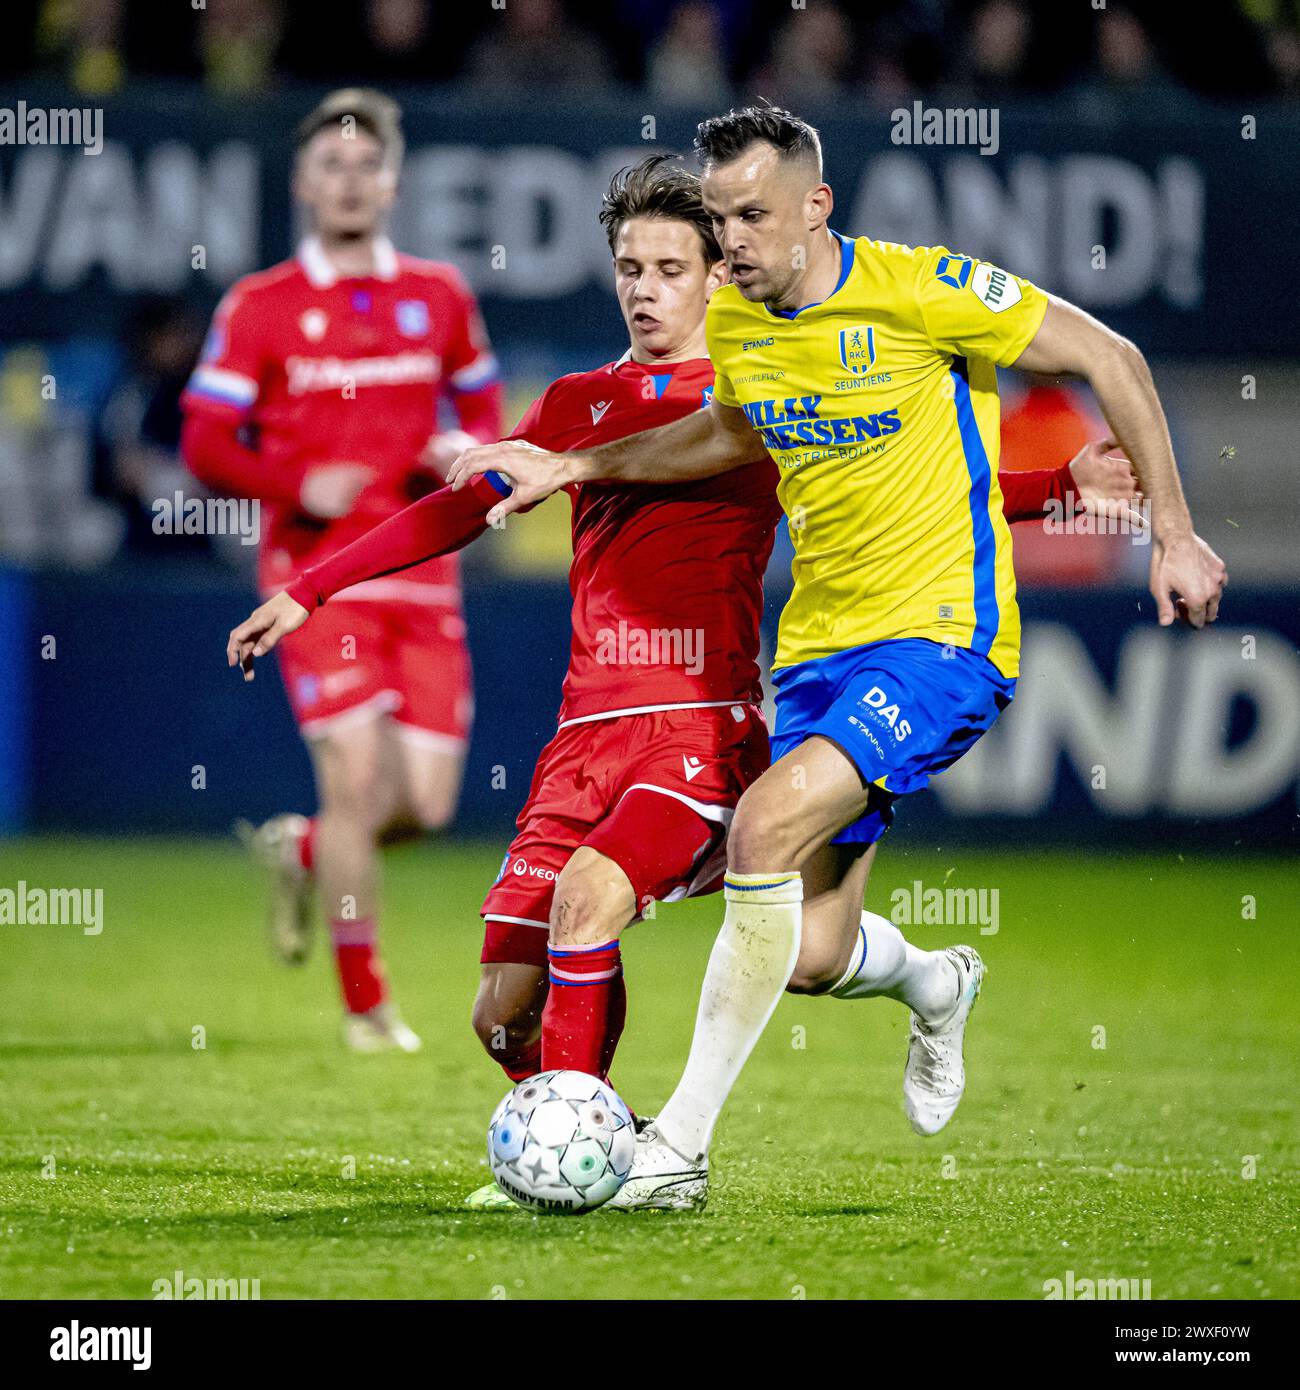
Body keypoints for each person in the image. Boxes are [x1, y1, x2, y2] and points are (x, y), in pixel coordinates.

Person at [227, 154, 1141, 1207]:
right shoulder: (575, 402)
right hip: (583, 737)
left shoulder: (760, 399)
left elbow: (921, 492)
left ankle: (606, 1168)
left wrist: (1056, 489)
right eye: (628, 266)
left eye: (669, 266)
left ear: (717, 276)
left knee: (588, 904)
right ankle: (593, 1126)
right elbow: (457, 507)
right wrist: (313, 589)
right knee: (501, 1013)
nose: (645, 288)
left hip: (700, 727)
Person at [447, 106, 1228, 1208]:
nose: (733, 245)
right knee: (810, 953)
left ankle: (672, 1151)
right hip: (818, 655)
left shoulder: (923, 290)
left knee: (758, 824)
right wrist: (578, 463)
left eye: (753, 217)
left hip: (941, 638)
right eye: (718, 221)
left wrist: (1174, 528)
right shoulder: (745, 329)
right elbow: (730, 434)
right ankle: (935, 981)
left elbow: (1111, 353)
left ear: (816, 205)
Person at [184, 88, 503, 1052]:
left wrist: (459, 446)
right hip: (312, 577)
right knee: (358, 781)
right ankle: (367, 1005)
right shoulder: (262, 304)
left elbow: (489, 414)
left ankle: (310, 849)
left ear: (394, 181)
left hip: (424, 572)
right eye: (332, 166)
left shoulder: (440, 295)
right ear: (303, 184)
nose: (351, 181)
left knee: (430, 807)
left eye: (368, 165)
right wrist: (293, 478)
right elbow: (203, 439)